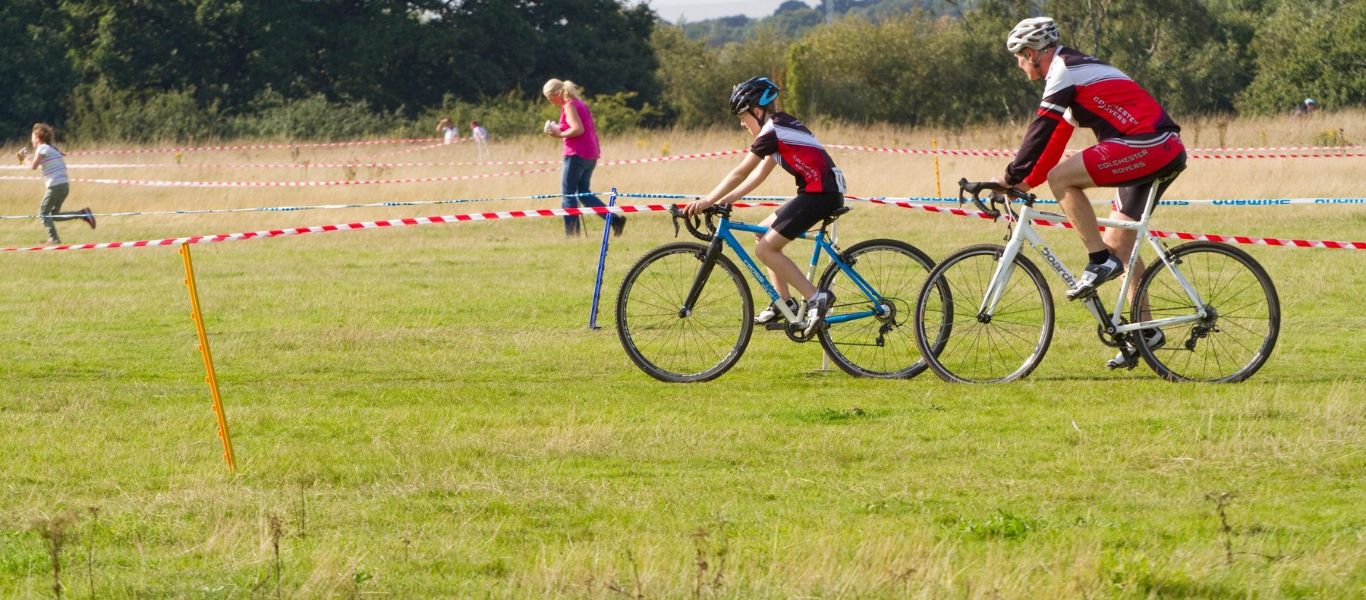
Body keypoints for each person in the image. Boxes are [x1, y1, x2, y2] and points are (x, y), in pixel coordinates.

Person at [991, 17, 1186, 365]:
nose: (1019, 64)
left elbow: (1039, 128)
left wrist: (1008, 176)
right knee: (1119, 243)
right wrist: (1021, 184)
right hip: (1156, 146)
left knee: (1062, 179)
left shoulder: (1064, 71)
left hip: (1149, 143)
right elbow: (1052, 142)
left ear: (1034, 53)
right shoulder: (1072, 75)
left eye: (1020, 56)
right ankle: (1145, 331)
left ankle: (1099, 262)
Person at [684, 76, 846, 336]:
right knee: (761, 232)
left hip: (820, 194)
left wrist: (707, 200)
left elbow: (740, 172)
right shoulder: (782, 125)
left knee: (765, 249)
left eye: (742, 116)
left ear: (757, 111)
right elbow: (758, 176)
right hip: (820, 192)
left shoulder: (772, 130)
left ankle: (816, 297)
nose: (741, 123)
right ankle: (785, 302)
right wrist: (725, 201)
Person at [543, 78, 624, 237]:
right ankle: (615, 220)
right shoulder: (579, 103)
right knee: (583, 194)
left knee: (568, 195)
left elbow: (577, 129)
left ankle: (572, 234)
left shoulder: (569, 105)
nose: (551, 102)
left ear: (556, 94)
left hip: (576, 155)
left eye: (550, 98)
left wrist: (558, 134)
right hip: (590, 155)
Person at [17, 123, 94, 244]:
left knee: (43, 213)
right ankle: (83, 214)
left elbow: (33, 166)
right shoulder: (50, 148)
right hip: (64, 185)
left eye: (32, 136)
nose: (31, 139)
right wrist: (25, 158)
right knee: (54, 215)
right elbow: (48, 154)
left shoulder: (42, 148)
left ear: (37, 138)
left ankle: (54, 239)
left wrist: (25, 157)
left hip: (55, 186)